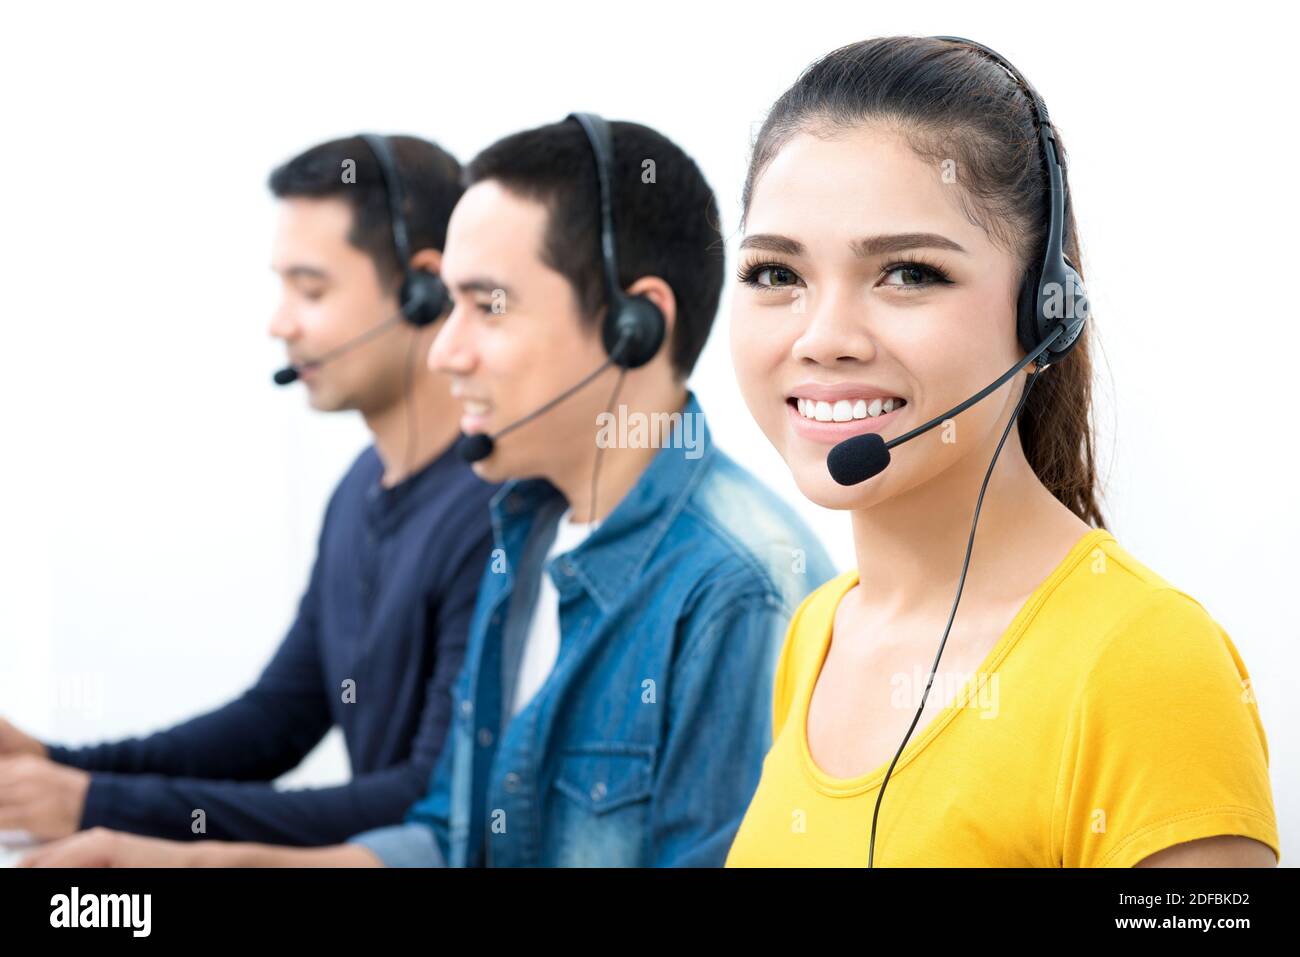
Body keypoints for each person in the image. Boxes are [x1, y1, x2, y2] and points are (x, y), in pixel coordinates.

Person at [21, 114, 836, 868]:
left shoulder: (736, 590)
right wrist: (185, 858)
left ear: (634, 326)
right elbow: (447, 838)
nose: (446, 352)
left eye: (487, 306)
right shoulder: (523, 529)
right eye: (447, 307)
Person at [723, 36, 1280, 867]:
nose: (824, 337)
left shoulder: (1147, 666)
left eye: (908, 273)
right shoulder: (819, 631)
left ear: (1042, 316)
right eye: (777, 273)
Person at [0, 134, 498, 847]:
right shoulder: (359, 491)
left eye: (312, 287)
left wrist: (94, 802)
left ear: (423, 291)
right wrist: (51, 768)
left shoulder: (492, 510)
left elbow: (427, 801)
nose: (280, 322)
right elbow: (273, 721)